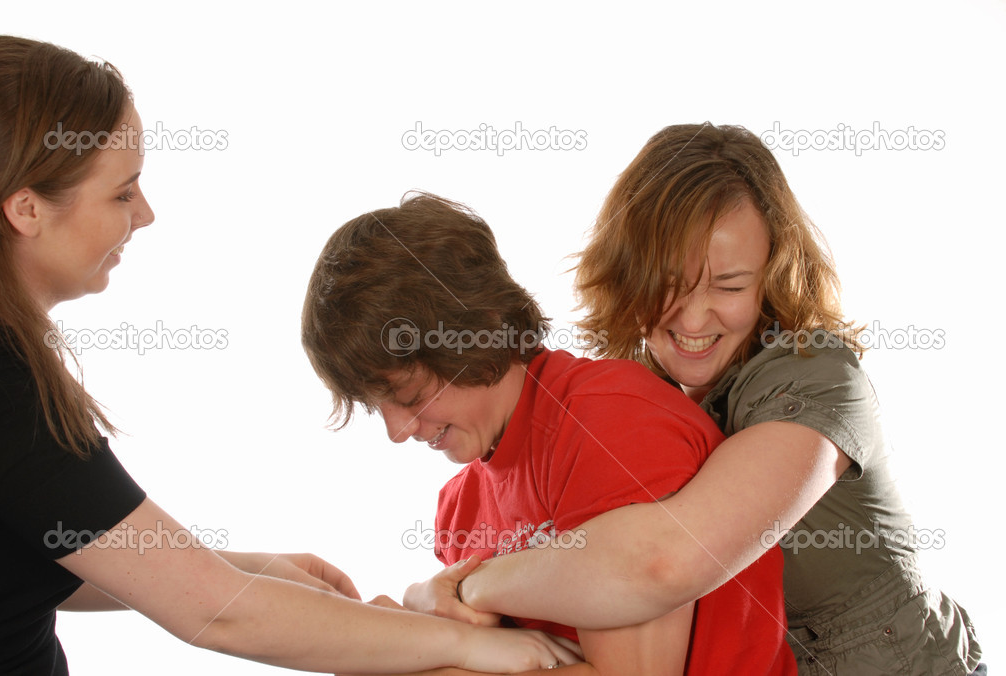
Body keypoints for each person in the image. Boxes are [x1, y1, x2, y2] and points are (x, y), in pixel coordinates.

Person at [0, 34, 579, 675]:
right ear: (27, 209)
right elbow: (218, 613)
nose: (146, 213)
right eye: (123, 193)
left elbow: (47, 558)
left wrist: (247, 569)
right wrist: (466, 645)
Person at [411, 124, 984, 675]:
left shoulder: (820, 379)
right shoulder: (627, 400)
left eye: (729, 286)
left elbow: (665, 561)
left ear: (773, 276)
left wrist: (473, 584)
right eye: (668, 285)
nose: (691, 319)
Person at [300, 192, 798, 675]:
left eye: (410, 396)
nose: (397, 431)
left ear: (477, 334)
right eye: (378, 407)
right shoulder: (457, 513)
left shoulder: (607, 421)